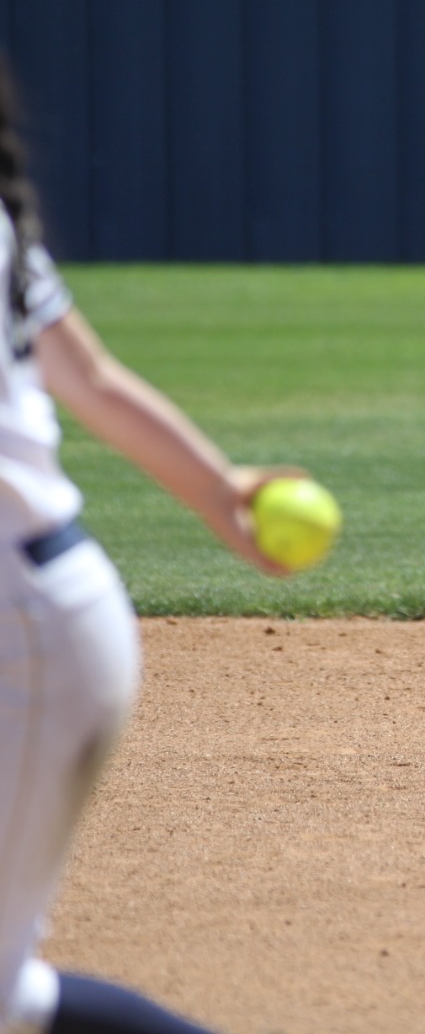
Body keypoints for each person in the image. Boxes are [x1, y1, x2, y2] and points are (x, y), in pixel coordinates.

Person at [1, 59, 305, 1034]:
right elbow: (87, 378)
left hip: (24, 637)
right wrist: (219, 492)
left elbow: (85, 378)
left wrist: (224, 494)